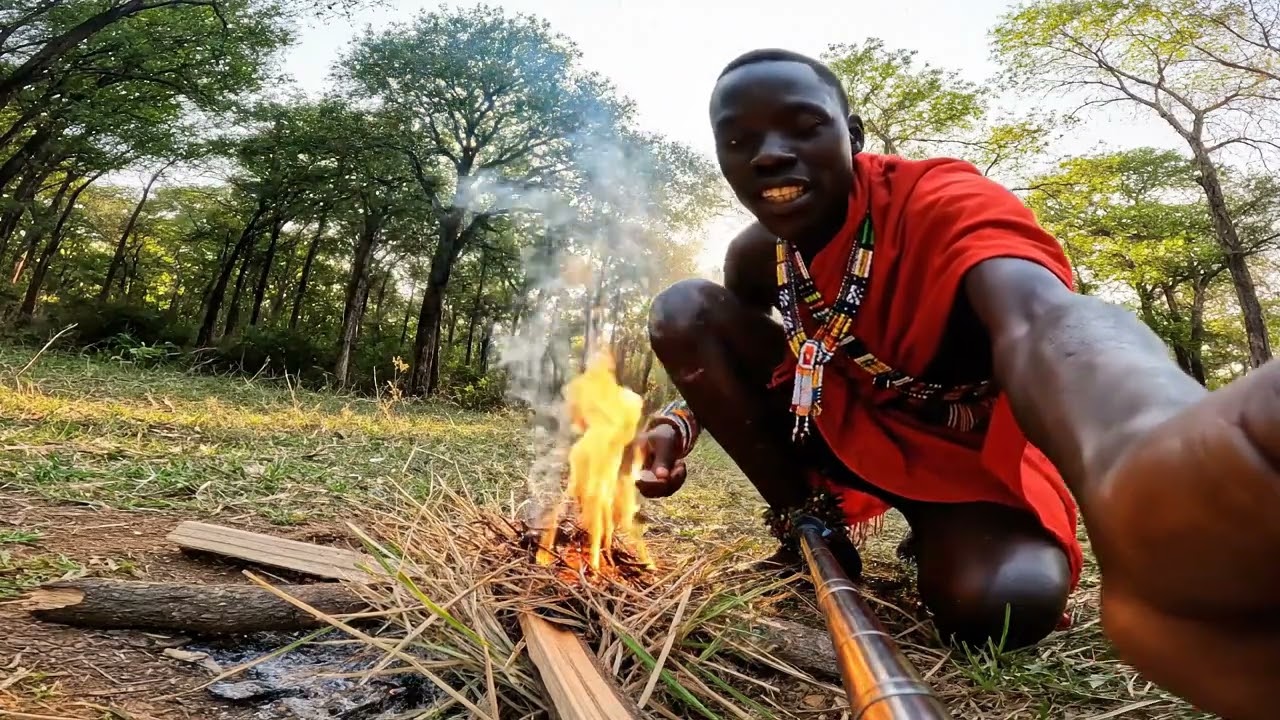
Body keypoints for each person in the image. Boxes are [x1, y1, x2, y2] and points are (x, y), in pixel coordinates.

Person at [637, 48, 1279, 720]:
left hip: (963, 464)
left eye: (802, 127)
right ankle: (809, 523)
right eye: (740, 141)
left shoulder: (941, 203)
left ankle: (936, 537)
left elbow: (1042, 319)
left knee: (1004, 603)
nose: (769, 155)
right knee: (683, 308)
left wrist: (1144, 441)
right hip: (837, 429)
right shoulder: (758, 254)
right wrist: (679, 420)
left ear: (852, 136)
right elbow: (737, 352)